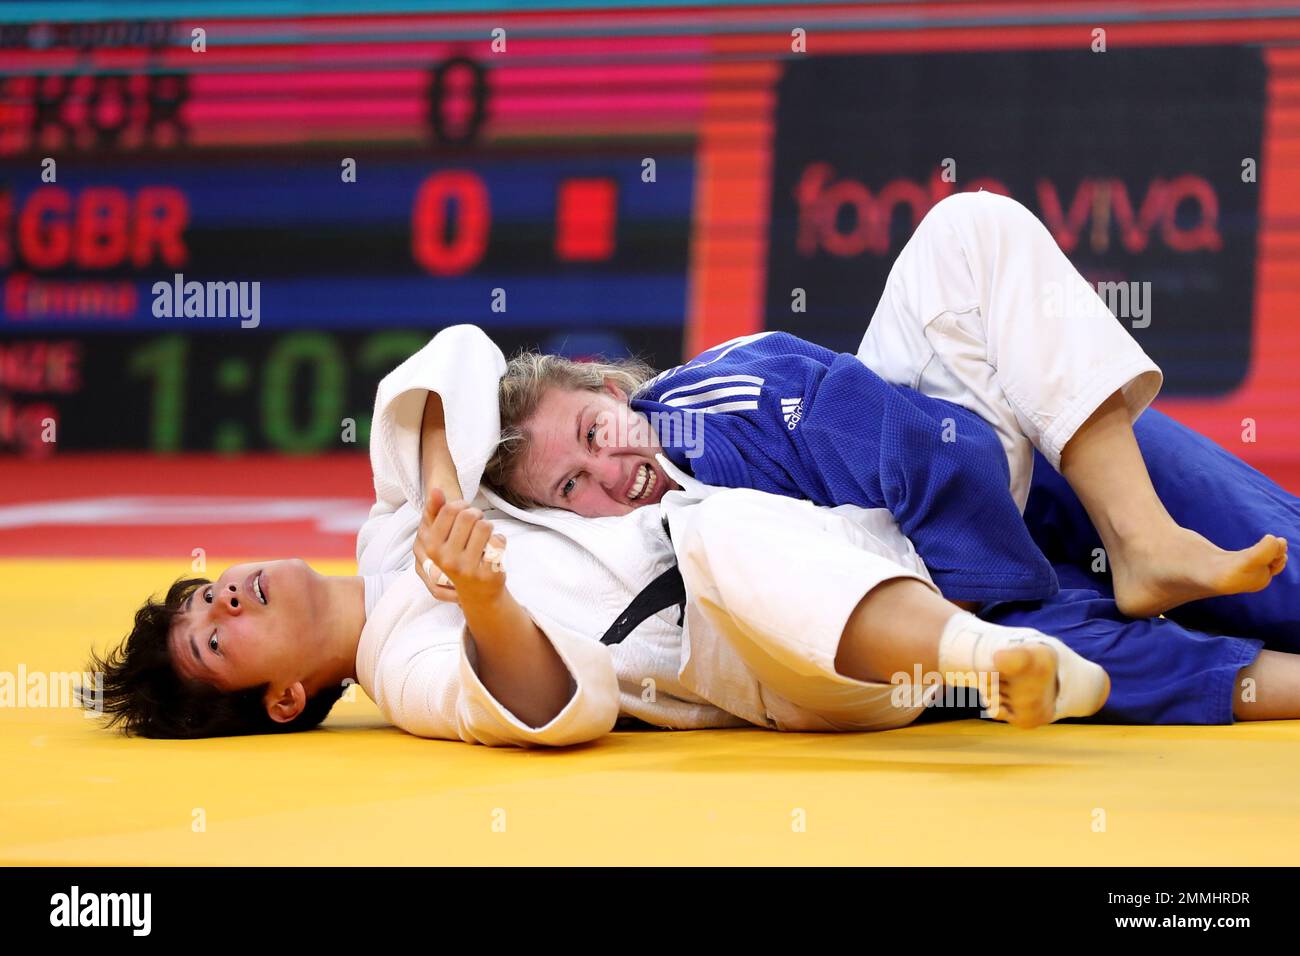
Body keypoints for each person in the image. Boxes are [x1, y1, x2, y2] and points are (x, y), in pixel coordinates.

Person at [485, 190, 1300, 725]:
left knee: (969, 231)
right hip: (922, 576)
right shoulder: (658, 550)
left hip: (958, 471)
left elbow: (888, 437)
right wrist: (1003, 634)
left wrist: (1010, 606)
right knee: (1065, 655)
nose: (612, 468)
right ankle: (1128, 557)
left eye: (594, 433)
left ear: (609, 387)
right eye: (571, 485)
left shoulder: (705, 407)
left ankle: (1139, 539)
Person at [90, 324, 1117, 744]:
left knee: (964, 269)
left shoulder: (392, 522)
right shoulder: (401, 665)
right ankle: (989, 653)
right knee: (717, 533)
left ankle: (1126, 532)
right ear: (283, 697)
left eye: (202, 593)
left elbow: (454, 352)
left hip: (840, 519)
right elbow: (547, 711)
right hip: (772, 643)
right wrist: (483, 592)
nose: (219, 598)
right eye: (211, 638)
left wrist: (444, 498)